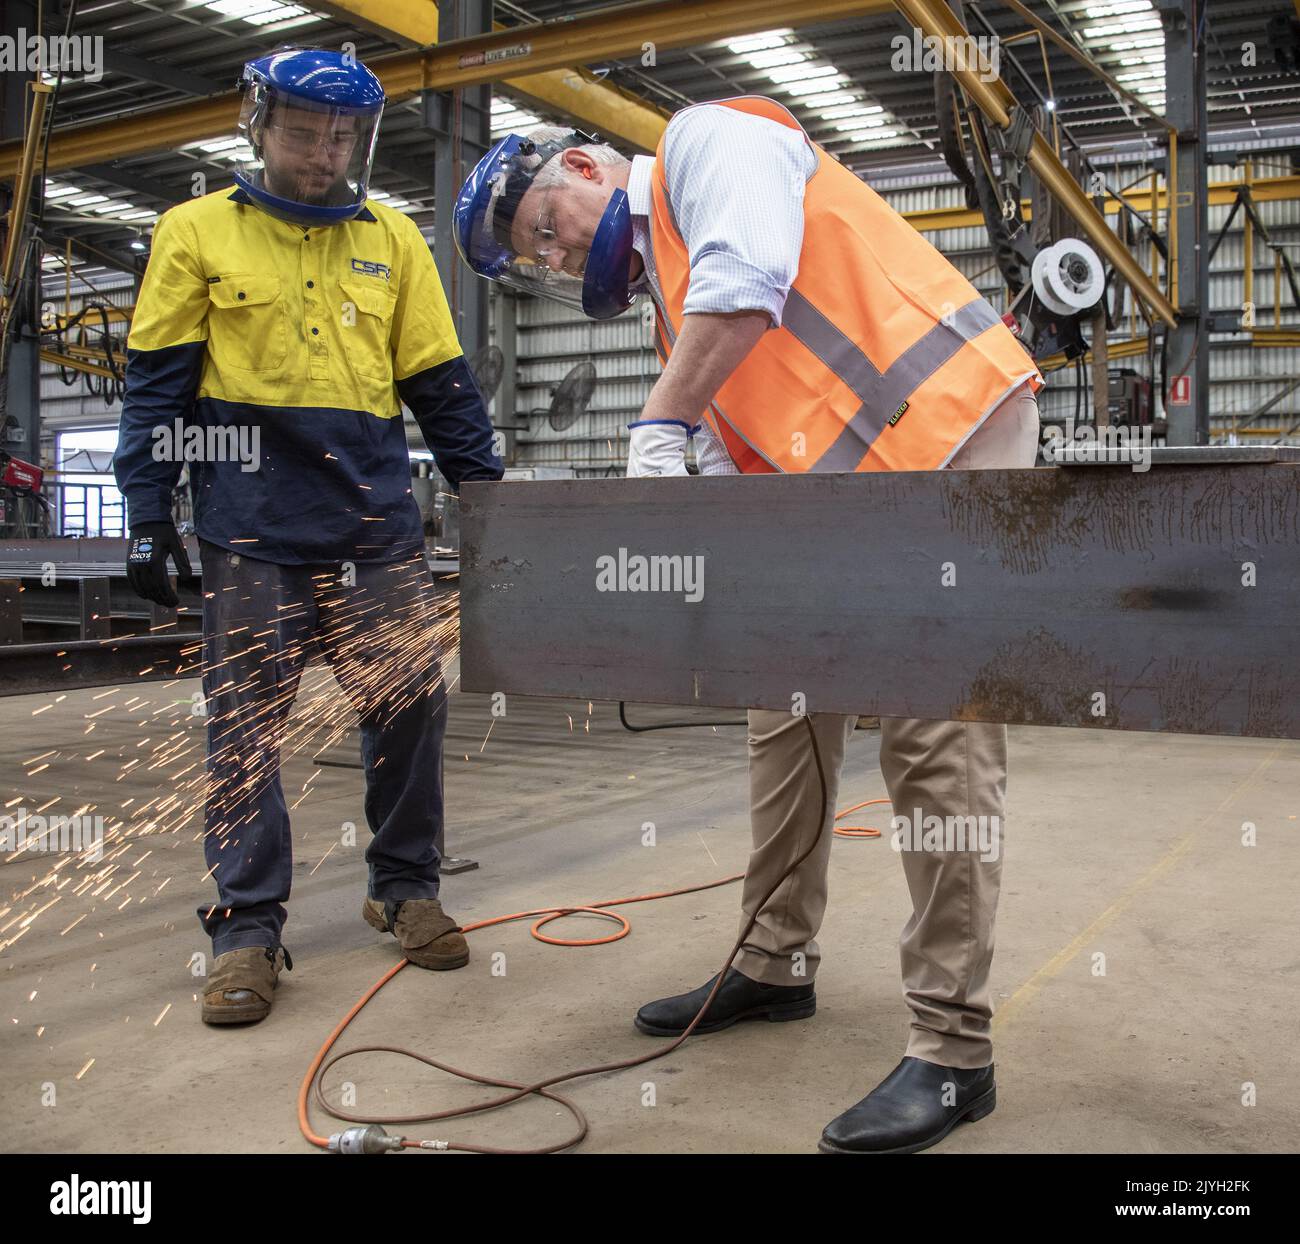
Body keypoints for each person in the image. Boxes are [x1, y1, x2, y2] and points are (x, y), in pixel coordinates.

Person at [454, 95, 1043, 1153]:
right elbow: (731, 464)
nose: (550, 257)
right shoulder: (675, 313)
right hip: (846, 498)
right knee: (779, 708)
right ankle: (774, 963)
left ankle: (954, 1051)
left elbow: (750, 278)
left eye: (544, 227)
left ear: (586, 167)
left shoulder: (704, 143)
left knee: (932, 730)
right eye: (532, 261)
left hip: (950, 436)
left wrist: (656, 419)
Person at [115, 47, 503, 1026]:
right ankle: (246, 925)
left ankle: (405, 884)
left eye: (342, 135)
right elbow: (158, 384)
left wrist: (497, 505)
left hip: (374, 526)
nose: (323, 151)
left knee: (411, 705)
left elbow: (441, 387)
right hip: (252, 527)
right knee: (246, 730)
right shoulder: (196, 231)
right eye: (303, 130)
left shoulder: (393, 240)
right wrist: (149, 514)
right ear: (259, 124)